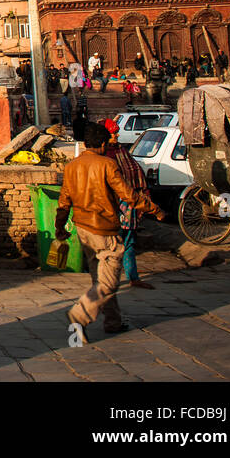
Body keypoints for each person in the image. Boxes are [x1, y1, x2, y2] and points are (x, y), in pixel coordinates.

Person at [55, 123, 165, 342]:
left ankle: (112, 321)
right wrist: (155, 209)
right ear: (103, 144)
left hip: (83, 228)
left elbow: (64, 199)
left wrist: (59, 226)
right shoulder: (107, 164)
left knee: (100, 279)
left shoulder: (72, 166)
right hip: (104, 229)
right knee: (108, 282)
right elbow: (128, 194)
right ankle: (78, 315)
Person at [102, 118, 155, 290]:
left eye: (116, 133)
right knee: (111, 245)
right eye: (113, 133)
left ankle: (133, 277)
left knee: (129, 242)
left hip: (129, 203)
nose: (116, 136)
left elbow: (134, 172)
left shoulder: (120, 151)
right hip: (112, 205)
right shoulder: (103, 156)